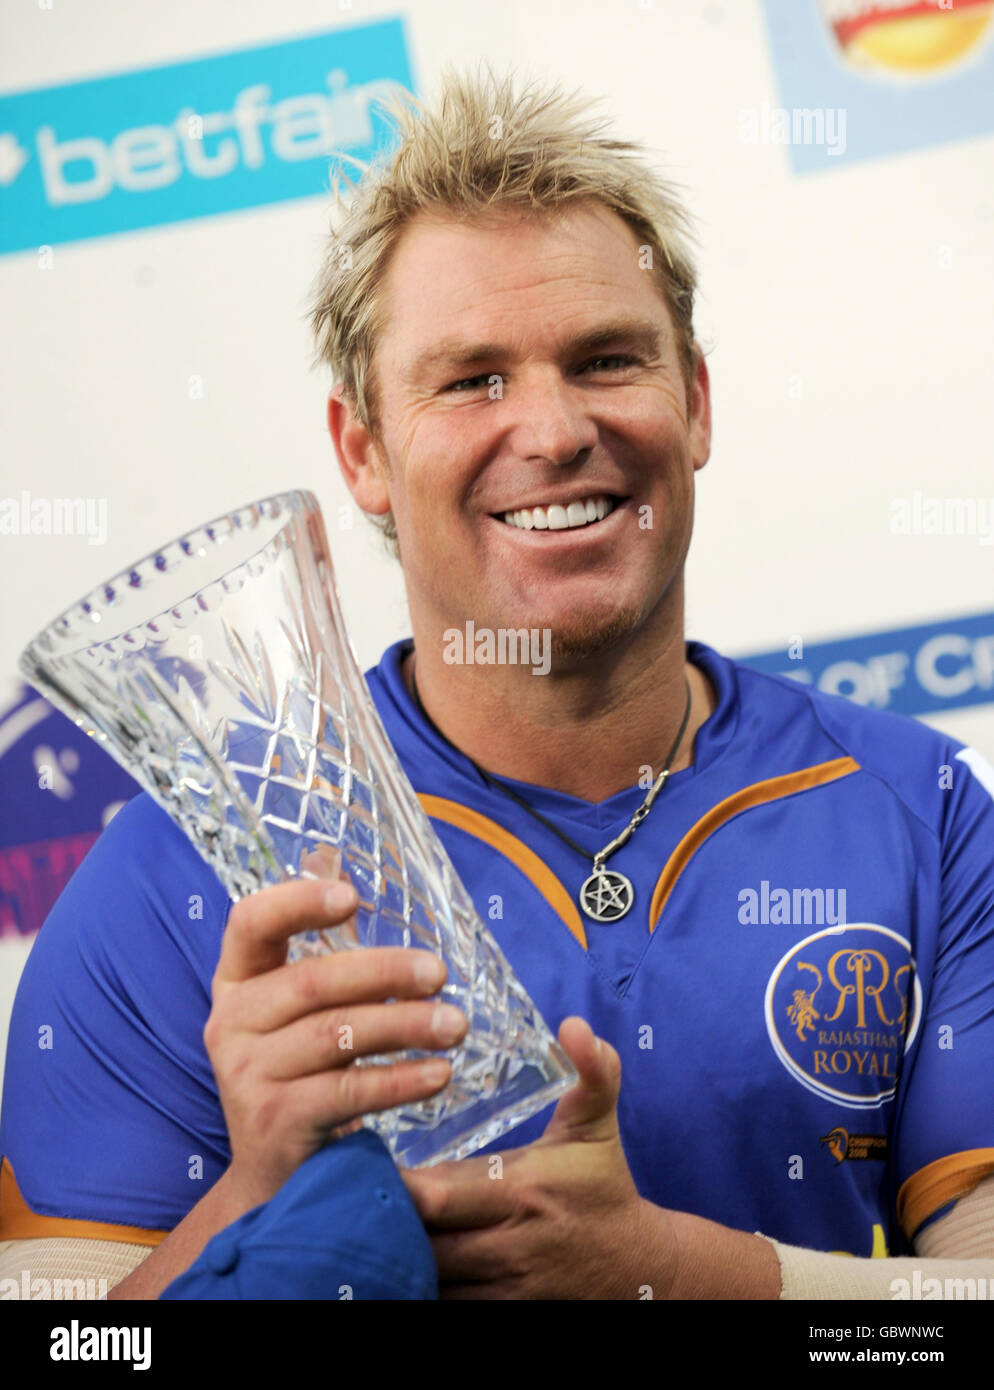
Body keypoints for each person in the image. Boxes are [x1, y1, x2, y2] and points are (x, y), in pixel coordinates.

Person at [3, 65, 994, 1301]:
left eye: (606, 360)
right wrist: (254, 1193)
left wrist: (673, 1274)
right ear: (362, 451)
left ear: (694, 403)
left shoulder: (918, 811)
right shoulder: (176, 877)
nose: (553, 430)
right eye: (472, 378)